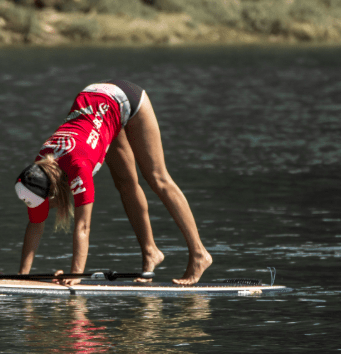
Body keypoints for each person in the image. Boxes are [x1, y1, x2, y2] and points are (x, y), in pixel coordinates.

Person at [14, 79, 212, 285]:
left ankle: (200, 254)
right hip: (96, 107)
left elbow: (83, 227)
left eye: (46, 203)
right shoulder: (39, 170)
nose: (45, 209)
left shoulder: (78, 167)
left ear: (54, 192)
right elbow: (35, 224)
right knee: (126, 184)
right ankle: (151, 252)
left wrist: (75, 275)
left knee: (157, 178)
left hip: (125, 99)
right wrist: (22, 276)